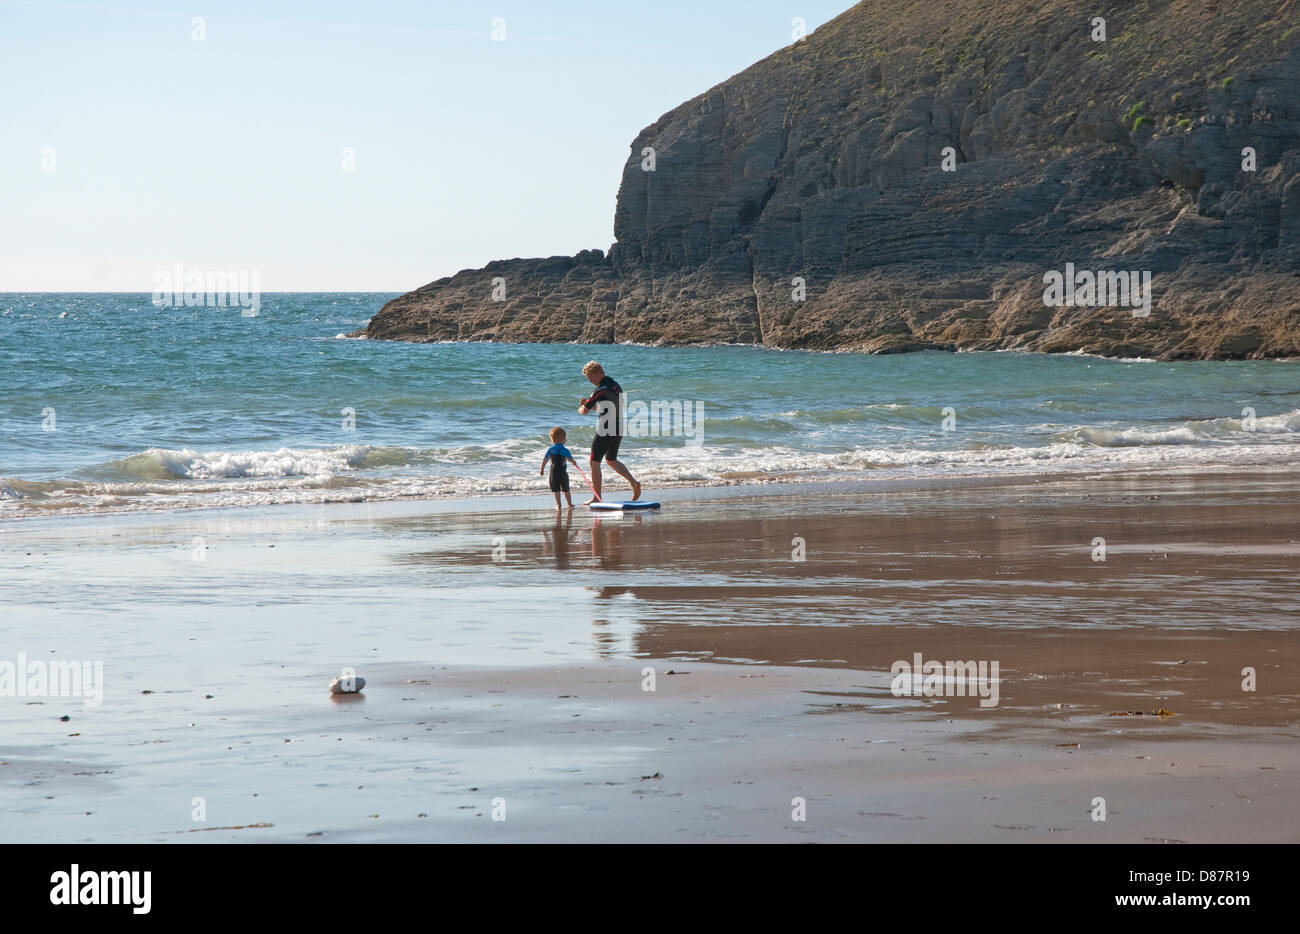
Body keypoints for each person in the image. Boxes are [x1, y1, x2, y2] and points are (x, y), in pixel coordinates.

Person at [577, 360, 642, 504]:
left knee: (594, 462)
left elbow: (584, 412)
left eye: (590, 377)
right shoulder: (615, 386)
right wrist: (590, 404)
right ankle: (634, 482)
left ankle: (597, 497)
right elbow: (606, 408)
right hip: (618, 427)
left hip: (605, 429)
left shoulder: (600, 389)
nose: (589, 380)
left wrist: (581, 406)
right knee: (611, 460)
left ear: (597, 373)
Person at [539, 426, 577, 510]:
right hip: (563, 472)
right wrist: (574, 462)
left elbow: (545, 460)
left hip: (553, 472)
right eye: (565, 438)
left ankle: (559, 505)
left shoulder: (550, 449)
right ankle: (570, 504)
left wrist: (542, 470)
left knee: (556, 490)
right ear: (562, 439)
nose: (565, 440)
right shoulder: (565, 450)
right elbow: (570, 459)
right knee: (566, 489)